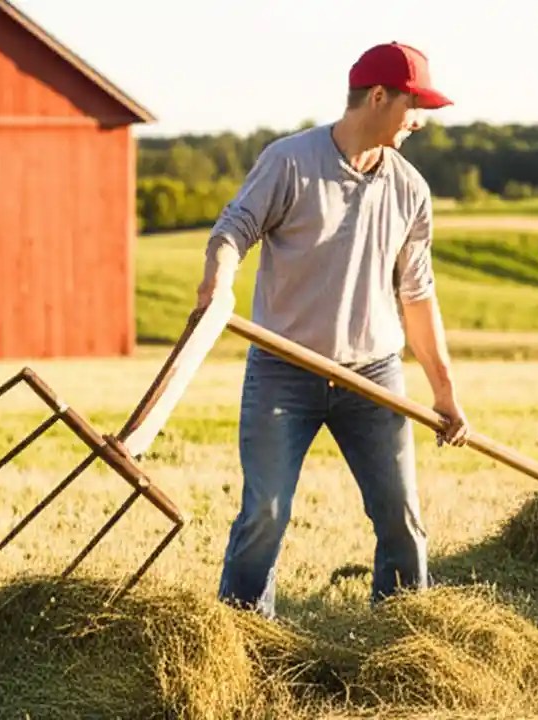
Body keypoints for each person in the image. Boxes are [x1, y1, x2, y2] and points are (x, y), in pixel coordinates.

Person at [194, 41, 470, 619]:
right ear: (377, 97)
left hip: (372, 374)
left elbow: (416, 294)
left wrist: (443, 392)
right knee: (265, 512)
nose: (419, 121)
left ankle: (400, 638)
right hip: (283, 372)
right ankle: (243, 636)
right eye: (413, 106)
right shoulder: (289, 161)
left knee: (401, 516)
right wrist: (218, 285)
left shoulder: (410, 189)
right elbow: (232, 231)